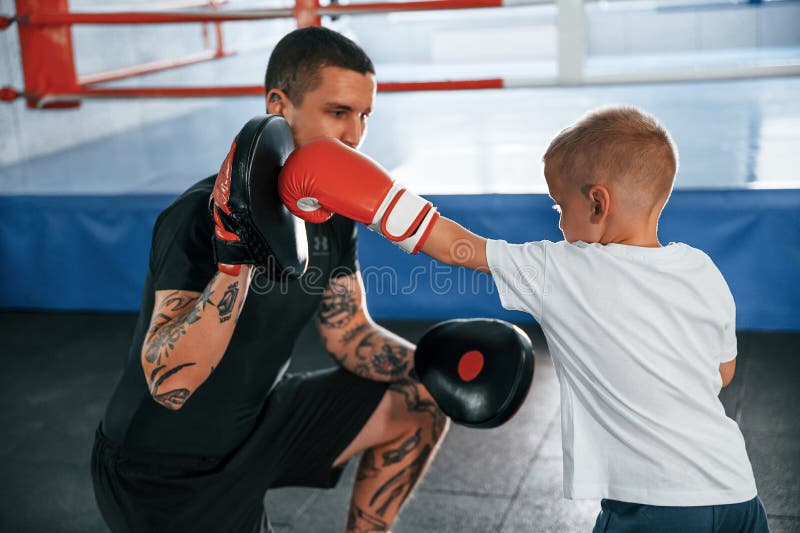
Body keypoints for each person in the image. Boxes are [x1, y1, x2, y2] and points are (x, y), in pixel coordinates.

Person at [279, 105, 770, 532]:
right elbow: (721, 374)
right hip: (736, 490)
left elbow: (452, 245)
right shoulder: (700, 268)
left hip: (656, 505)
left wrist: (374, 198)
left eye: (560, 205)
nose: (558, 220)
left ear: (598, 202)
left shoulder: (563, 268)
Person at [91, 26, 450, 533]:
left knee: (420, 401)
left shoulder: (334, 213)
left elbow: (348, 335)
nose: (355, 135)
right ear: (278, 106)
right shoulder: (196, 216)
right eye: (339, 112)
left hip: (257, 424)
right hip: (163, 467)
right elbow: (171, 387)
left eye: (365, 116)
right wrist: (235, 263)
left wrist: (440, 370)